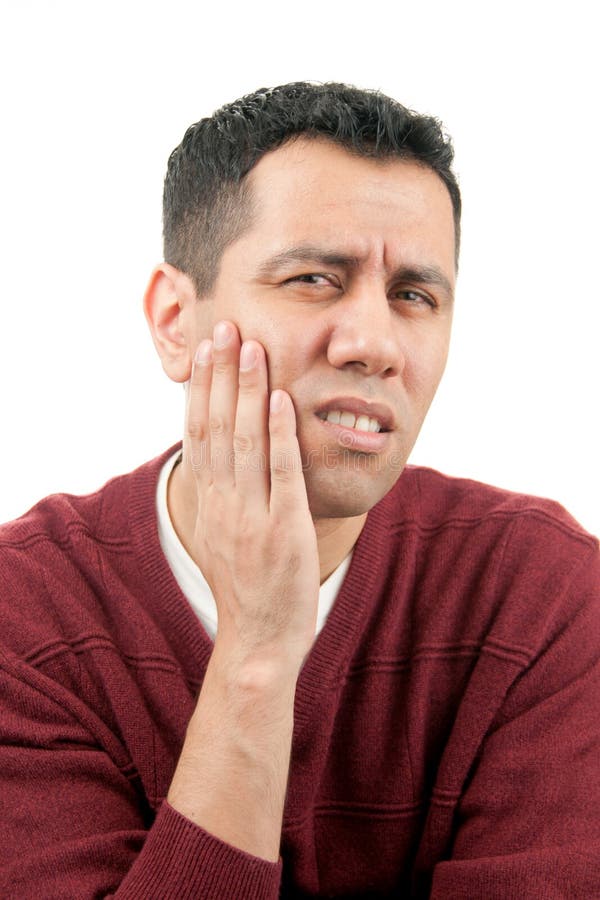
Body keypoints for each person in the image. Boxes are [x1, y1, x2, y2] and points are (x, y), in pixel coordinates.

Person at [0, 82, 598, 899]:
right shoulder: (24, 613)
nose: (376, 345)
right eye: (314, 278)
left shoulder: (542, 591)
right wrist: (256, 655)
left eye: (414, 296)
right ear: (175, 320)